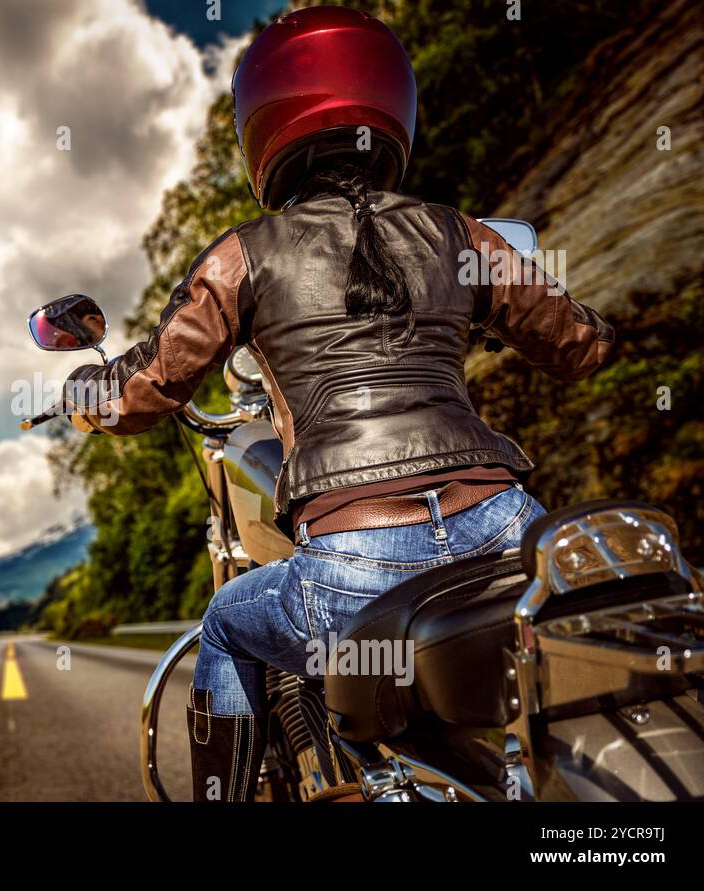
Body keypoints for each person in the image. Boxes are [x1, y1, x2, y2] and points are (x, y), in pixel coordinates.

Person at [60, 6, 614, 802]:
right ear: (390, 103)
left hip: (358, 561)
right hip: (507, 528)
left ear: (265, 122)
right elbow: (581, 344)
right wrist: (492, 319)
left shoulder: (245, 253)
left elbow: (147, 385)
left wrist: (88, 396)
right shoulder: (459, 233)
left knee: (224, 622)